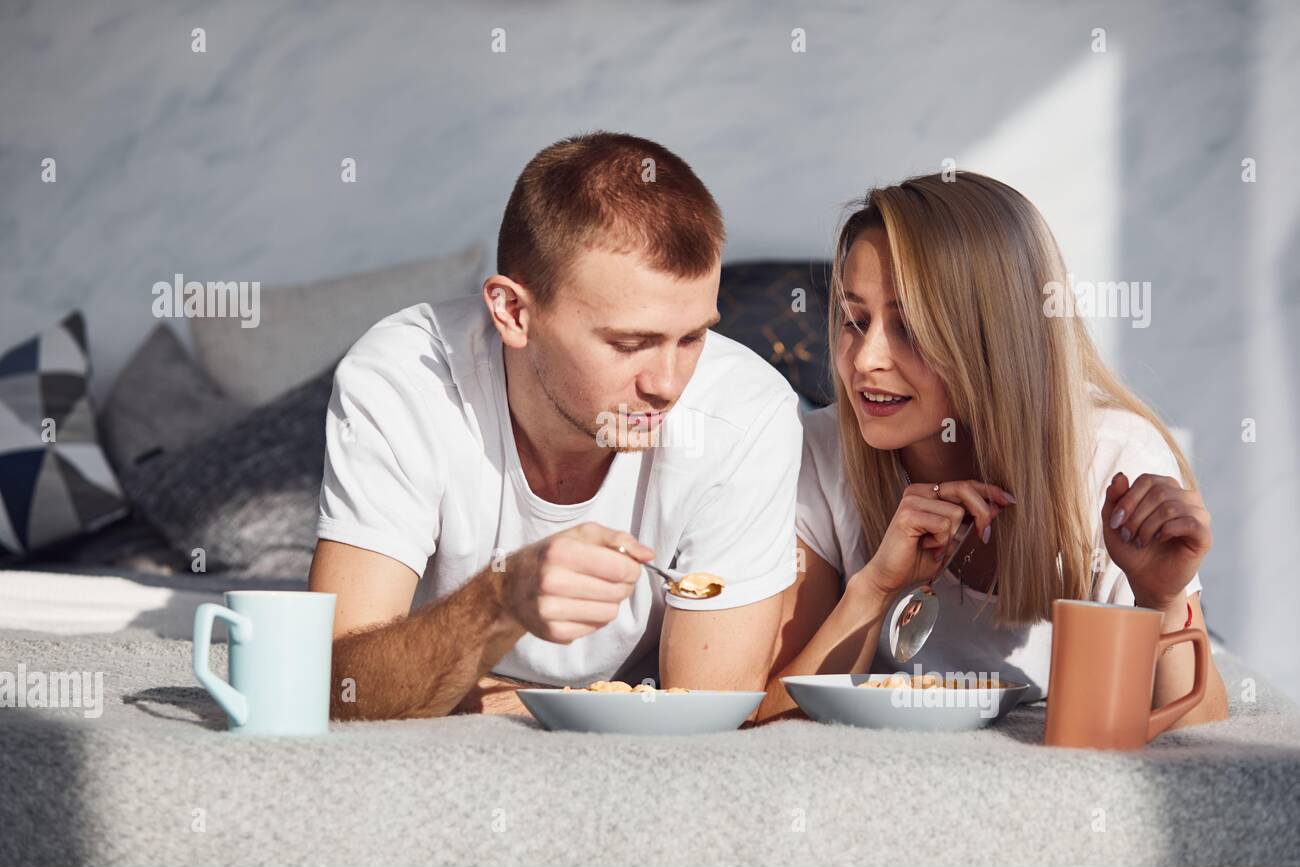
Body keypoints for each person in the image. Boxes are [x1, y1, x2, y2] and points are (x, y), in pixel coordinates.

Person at [308, 131, 802, 720]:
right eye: (629, 343)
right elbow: (338, 683)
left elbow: (705, 708)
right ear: (513, 312)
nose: (667, 384)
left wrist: (476, 693)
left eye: (694, 337)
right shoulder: (406, 377)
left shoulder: (746, 410)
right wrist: (500, 600)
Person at [758, 171, 1228, 726]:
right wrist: (874, 589)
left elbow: (1197, 739)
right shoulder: (820, 449)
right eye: (855, 320)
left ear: (993, 339)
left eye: (910, 329)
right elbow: (773, 719)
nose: (865, 361)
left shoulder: (1112, 455)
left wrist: (1163, 600)